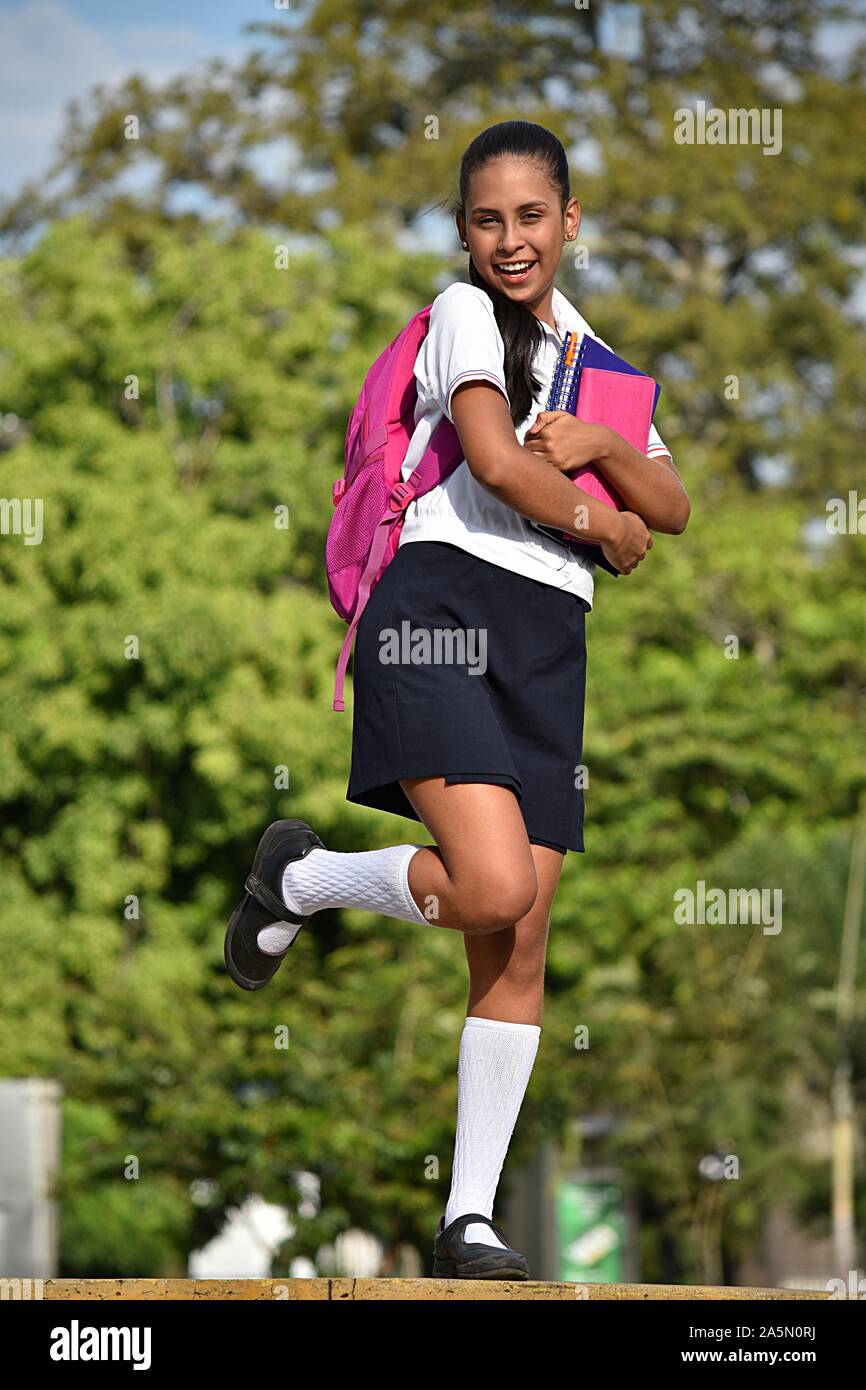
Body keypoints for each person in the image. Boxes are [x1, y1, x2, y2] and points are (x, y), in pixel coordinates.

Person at [224, 119, 690, 1280]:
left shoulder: (599, 359)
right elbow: (492, 457)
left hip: (548, 642)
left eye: (531, 216)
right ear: (464, 230)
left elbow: (674, 503)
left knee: (519, 935)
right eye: (486, 218)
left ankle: (466, 1218)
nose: (509, 238)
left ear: (569, 221)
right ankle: (303, 876)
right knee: (485, 884)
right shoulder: (460, 313)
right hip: (439, 605)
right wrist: (602, 516)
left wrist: (602, 449)